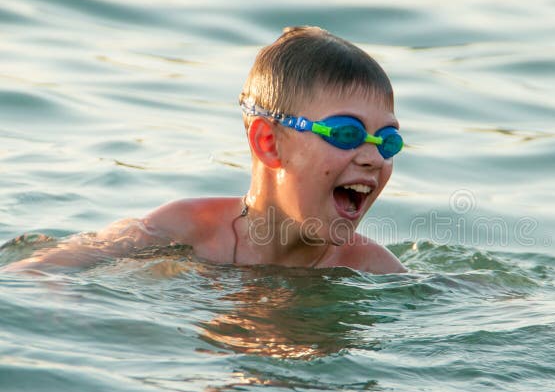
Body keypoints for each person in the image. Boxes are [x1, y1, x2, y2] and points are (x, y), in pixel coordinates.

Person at [4, 26, 406, 274]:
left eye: (388, 140)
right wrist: (52, 285)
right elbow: (39, 271)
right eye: (346, 134)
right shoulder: (186, 231)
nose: (373, 157)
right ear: (268, 143)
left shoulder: (371, 269)